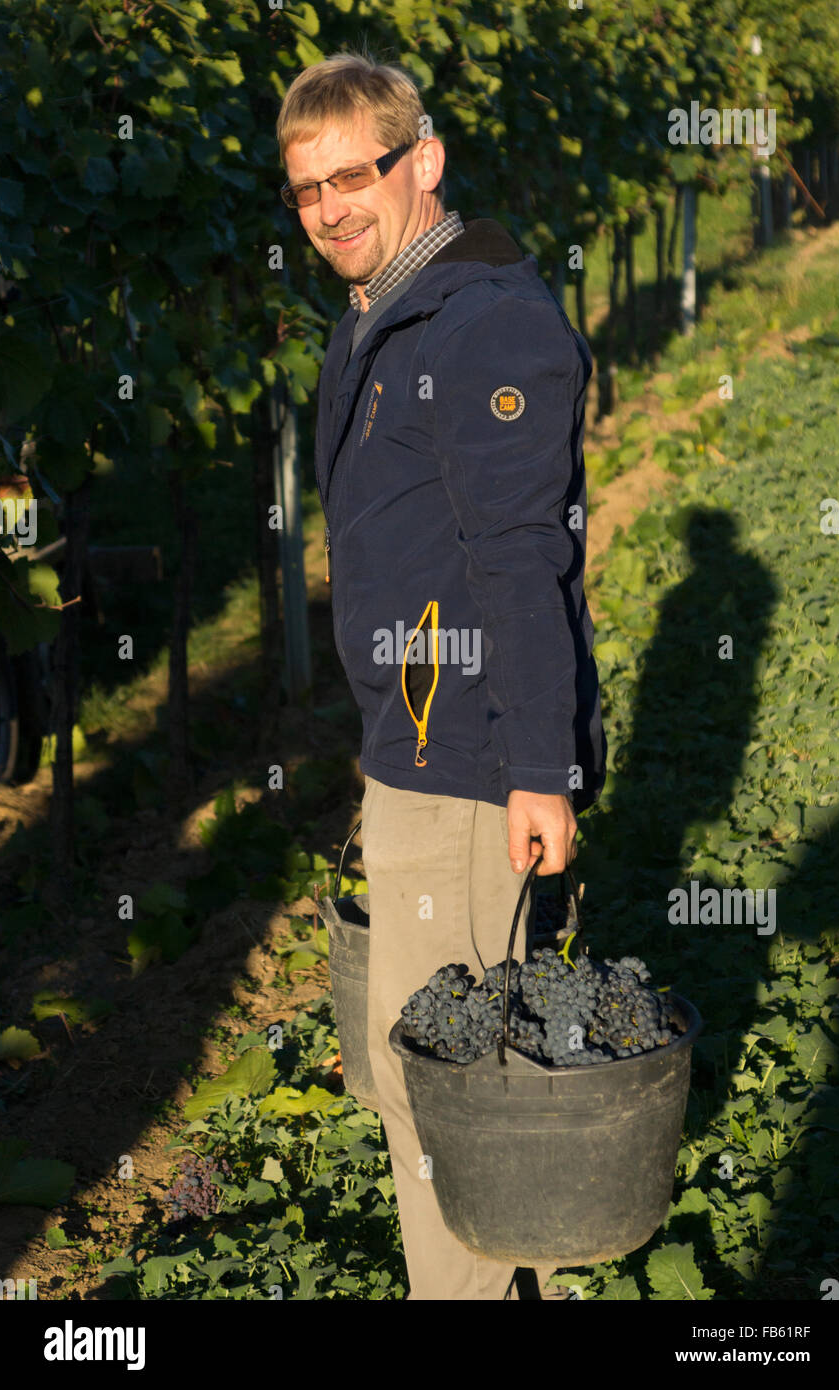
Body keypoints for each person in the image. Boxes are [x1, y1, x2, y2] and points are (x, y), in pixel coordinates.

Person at [276, 50, 607, 1300]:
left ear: (423, 161)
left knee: (450, 1092)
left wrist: (535, 772)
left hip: (468, 757)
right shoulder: (389, 310)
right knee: (435, 1082)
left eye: (351, 176)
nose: (328, 210)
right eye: (305, 191)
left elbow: (518, 565)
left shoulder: (485, 325)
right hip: (414, 746)